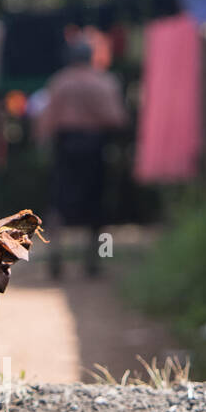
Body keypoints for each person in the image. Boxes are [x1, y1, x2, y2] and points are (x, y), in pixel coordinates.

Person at [33, 37, 129, 279]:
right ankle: (93, 258)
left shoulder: (60, 82)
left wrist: (42, 146)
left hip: (65, 147)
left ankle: (55, 253)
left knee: (58, 202)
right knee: (95, 202)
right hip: (95, 147)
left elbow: (46, 121)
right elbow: (117, 118)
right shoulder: (104, 82)